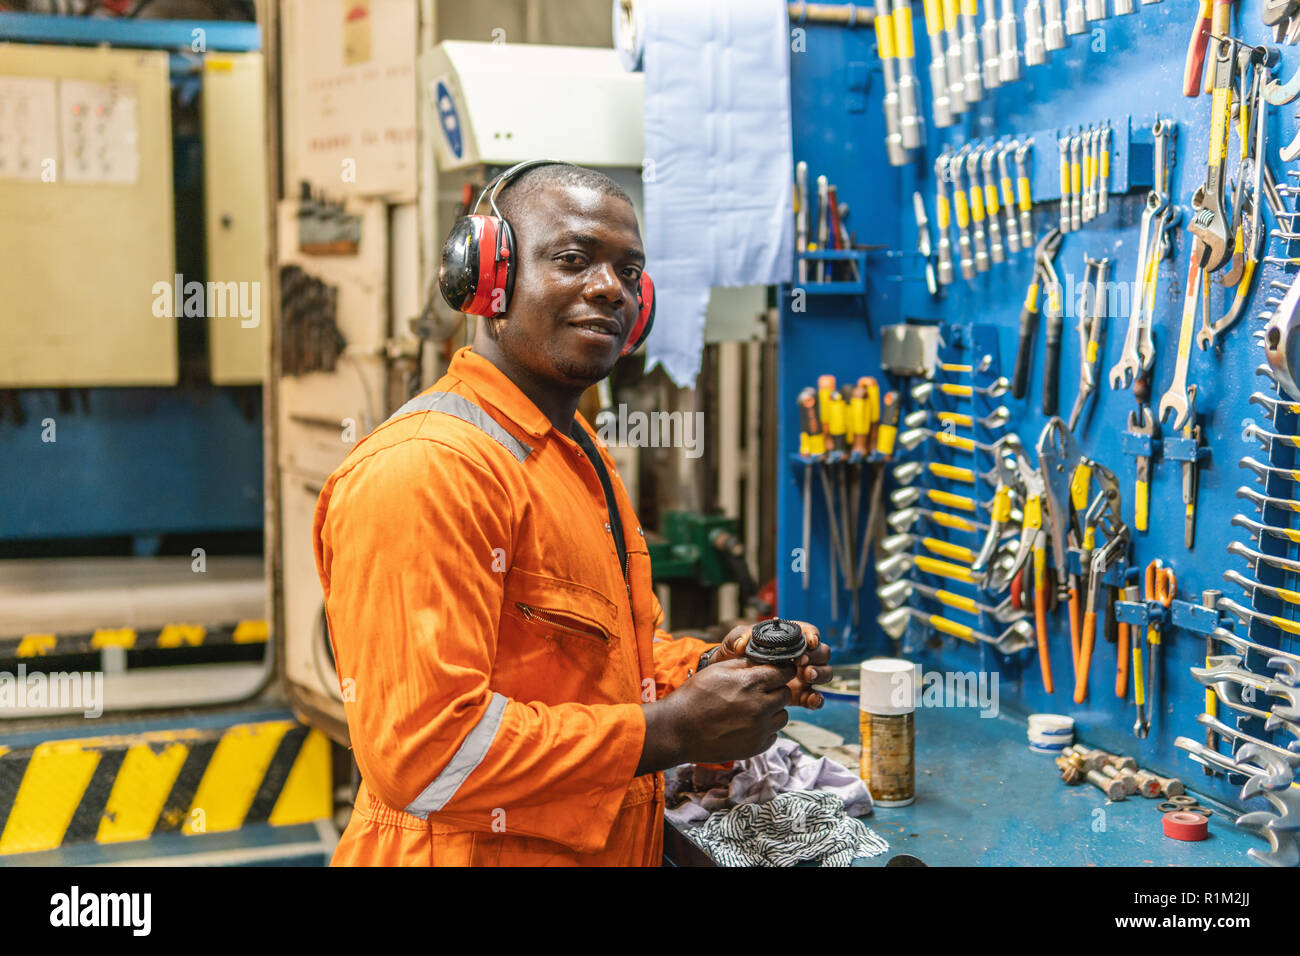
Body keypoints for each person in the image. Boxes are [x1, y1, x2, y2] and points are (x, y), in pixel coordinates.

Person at [313, 161, 832, 866]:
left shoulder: (575, 454)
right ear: (488, 277)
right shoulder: (428, 469)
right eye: (573, 259)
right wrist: (674, 730)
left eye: (629, 272)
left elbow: (613, 668)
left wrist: (714, 669)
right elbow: (428, 756)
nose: (608, 288)